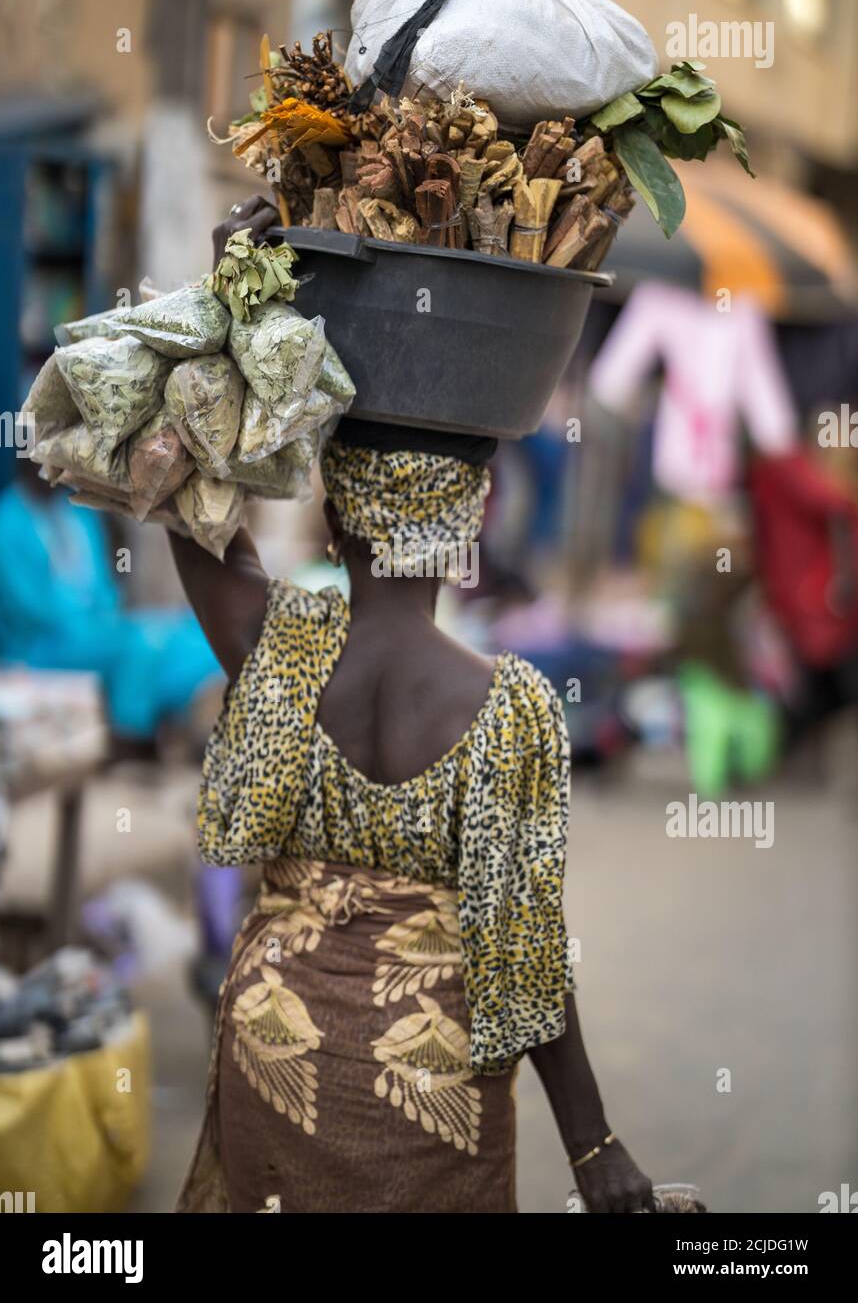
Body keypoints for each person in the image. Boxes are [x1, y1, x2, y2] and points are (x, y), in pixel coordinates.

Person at [171, 199, 653, 1213]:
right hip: (424, 1082)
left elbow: (188, 497)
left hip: (276, 1044)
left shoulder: (279, 647)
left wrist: (230, 305)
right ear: (473, 517)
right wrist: (592, 1143)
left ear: (333, 510)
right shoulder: (506, 707)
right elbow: (522, 949)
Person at [0, 461, 222, 747]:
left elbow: (105, 585)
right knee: (144, 643)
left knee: (191, 630)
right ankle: (130, 735)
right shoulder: (5, 523)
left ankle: (193, 706)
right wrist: (101, 626)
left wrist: (110, 619)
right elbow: (30, 610)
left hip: (97, 628)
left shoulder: (77, 513)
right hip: (43, 646)